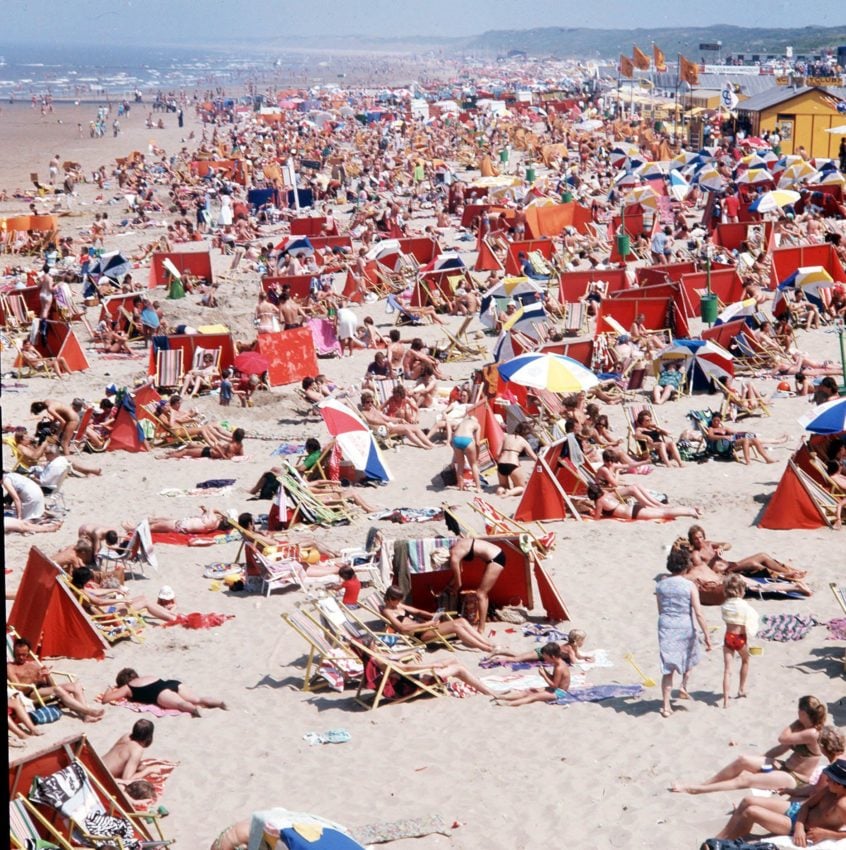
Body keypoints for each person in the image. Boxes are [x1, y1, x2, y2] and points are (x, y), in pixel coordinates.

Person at [671, 694, 828, 794]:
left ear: (803, 713)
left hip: (796, 779)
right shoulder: (803, 728)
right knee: (743, 760)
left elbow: (782, 738)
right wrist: (761, 759)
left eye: (799, 712)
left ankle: (696, 789)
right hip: (785, 767)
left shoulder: (812, 733)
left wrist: (794, 723)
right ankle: (706, 784)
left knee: (745, 780)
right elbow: (782, 748)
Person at [712, 757, 846, 843]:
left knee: (751, 812)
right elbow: (807, 805)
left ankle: (725, 842)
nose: (827, 780)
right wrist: (800, 824)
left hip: (798, 826)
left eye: (830, 779)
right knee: (748, 800)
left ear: (840, 784)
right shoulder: (829, 790)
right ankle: (723, 837)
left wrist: (826, 833)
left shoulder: (843, 805)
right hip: (798, 815)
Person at [656, 543, 712, 718]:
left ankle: (666, 706)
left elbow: (660, 609)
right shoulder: (689, 586)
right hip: (684, 625)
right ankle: (683, 685)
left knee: (668, 666)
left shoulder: (661, 585)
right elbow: (698, 613)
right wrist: (707, 635)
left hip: (666, 624)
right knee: (691, 655)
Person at [7, 636, 104, 722]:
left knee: (76, 685)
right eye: (18, 654)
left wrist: (47, 675)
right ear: (14, 652)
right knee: (57, 690)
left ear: (28, 652)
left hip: (43, 689)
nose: (21, 657)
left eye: (24, 654)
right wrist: (36, 679)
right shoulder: (10, 667)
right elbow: (19, 689)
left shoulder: (34, 664)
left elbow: (51, 685)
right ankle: (88, 711)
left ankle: (86, 716)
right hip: (29, 693)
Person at [379, 585, 497, 652]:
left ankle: (487, 644)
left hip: (426, 626)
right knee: (456, 626)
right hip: (420, 635)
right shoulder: (387, 611)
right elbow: (402, 627)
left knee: (461, 621)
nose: (399, 602)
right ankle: (486, 648)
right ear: (389, 598)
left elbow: (418, 611)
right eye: (397, 600)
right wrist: (426, 625)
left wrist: (431, 615)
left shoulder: (398, 605)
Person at [687, 524, 807, 582]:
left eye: (700, 537)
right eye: (696, 539)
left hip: (732, 564)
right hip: (725, 572)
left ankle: (788, 572)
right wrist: (712, 565)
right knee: (755, 564)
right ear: (692, 540)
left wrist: (722, 547)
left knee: (763, 555)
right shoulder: (696, 554)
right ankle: (785, 576)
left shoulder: (709, 544)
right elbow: (702, 570)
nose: (699, 540)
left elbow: (728, 544)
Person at [101, 668, 227, 718]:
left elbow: (106, 699)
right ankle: (220, 703)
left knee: (182, 704)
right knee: (197, 699)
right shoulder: (147, 676)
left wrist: (110, 688)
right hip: (172, 683)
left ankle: (195, 711)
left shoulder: (127, 687)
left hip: (160, 693)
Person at [70, 567, 179, 623]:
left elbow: (97, 593)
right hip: (107, 615)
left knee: (143, 597)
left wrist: (114, 590)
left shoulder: (77, 588)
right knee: (144, 603)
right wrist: (121, 601)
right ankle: (173, 619)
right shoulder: (83, 592)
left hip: (107, 610)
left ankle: (170, 614)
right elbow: (100, 602)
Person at [447, 534, 506, 632]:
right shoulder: (456, 547)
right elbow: (459, 571)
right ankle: (481, 626)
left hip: (495, 558)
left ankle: (481, 628)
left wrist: (453, 589)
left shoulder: (454, 557)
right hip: (496, 554)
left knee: (480, 594)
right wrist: (449, 585)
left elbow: (459, 583)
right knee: (483, 593)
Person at [720, 574, 757, 708]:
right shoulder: (743, 605)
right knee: (746, 660)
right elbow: (751, 619)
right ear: (740, 591)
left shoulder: (725, 606)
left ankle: (725, 700)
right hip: (740, 637)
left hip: (728, 636)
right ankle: (741, 689)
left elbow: (725, 619)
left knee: (727, 670)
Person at [494, 642, 572, 706]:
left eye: (546, 658)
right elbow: (554, 679)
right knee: (528, 691)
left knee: (533, 696)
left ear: (553, 656)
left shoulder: (559, 668)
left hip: (559, 693)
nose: (545, 660)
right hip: (554, 689)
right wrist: (546, 672)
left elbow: (554, 685)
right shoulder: (557, 663)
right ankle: (502, 697)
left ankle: (508, 704)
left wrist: (544, 675)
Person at [586, 483, 701, 522]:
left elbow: (597, 518)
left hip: (632, 513)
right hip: (632, 507)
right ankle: (691, 510)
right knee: (663, 510)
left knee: (664, 513)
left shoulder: (599, 502)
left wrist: (585, 511)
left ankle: (691, 512)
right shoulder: (606, 494)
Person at [704, 412, 783, 464]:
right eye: (715, 420)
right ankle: (748, 461)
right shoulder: (711, 429)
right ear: (712, 420)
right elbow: (710, 436)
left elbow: (735, 432)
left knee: (754, 439)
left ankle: (767, 458)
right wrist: (724, 436)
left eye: (718, 420)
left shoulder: (724, 428)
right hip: (725, 445)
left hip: (732, 440)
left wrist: (745, 432)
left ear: (720, 420)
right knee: (745, 440)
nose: (716, 422)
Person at [495, 422, 537, 497]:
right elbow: (533, 457)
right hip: (513, 464)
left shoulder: (506, 437)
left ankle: (500, 491)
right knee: (521, 487)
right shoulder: (523, 441)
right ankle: (509, 493)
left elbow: (497, 453)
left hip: (501, 464)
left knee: (503, 485)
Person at [132, 506, 231, 535]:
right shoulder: (213, 524)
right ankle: (152, 520)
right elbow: (205, 517)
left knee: (155, 527)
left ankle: (134, 529)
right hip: (183, 524)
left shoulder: (213, 519)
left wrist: (222, 514)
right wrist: (205, 511)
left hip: (181, 525)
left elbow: (213, 508)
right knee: (161, 522)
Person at [163, 428, 245, 459]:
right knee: (191, 445)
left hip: (210, 453)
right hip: (212, 450)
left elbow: (226, 457)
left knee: (186, 452)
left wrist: (218, 448)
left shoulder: (231, 445)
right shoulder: (240, 445)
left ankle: (167, 456)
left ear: (234, 435)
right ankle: (173, 453)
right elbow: (241, 455)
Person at [450, 415, 482, 491]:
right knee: (473, 464)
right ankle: (478, 487)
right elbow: (477, 443)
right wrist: (477, 456)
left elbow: (453, 436)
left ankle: (460, 486)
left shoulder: (461, 423)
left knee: (460, 465)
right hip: (467, 440)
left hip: (456, 440)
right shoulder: (477, 425)